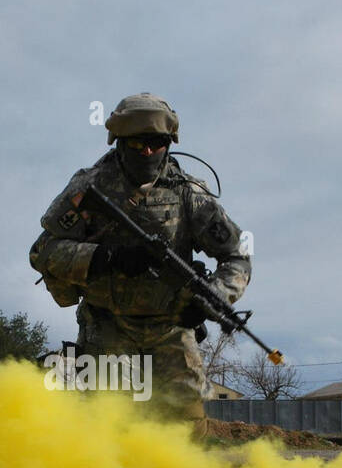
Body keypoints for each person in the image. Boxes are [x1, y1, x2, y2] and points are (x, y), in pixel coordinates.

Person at [29, 93, 250, 436]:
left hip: (171, 328)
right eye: (136, 144)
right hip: (109, 324)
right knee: (111, 427)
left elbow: (236, 256)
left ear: (168, 143)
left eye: (155, 143)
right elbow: (43, 251)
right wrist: (105, 258)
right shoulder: (90, 187)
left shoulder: (188, 193)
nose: (147, 152)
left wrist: (208, 299)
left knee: (188, 428)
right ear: (119, 142)